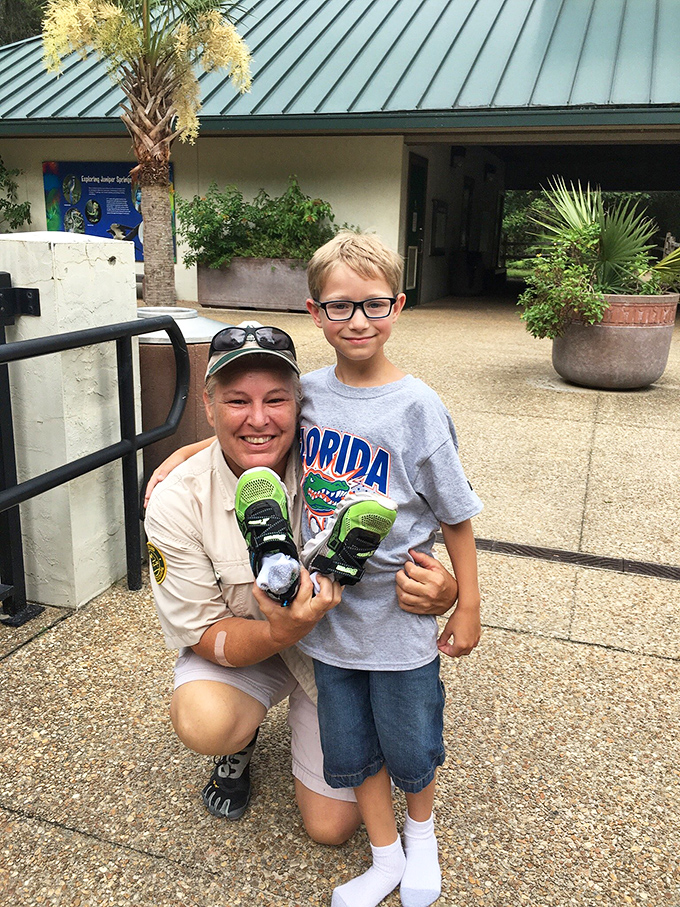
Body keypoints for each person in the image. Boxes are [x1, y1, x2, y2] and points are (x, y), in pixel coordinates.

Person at [144, 322, 460, 846]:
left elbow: (418, 503)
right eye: (236, 401)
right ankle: (239, 741)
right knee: (206, 720)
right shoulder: (177, 501)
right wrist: (280, 633)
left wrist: (446, 593)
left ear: (302, 403)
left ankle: (319, 715)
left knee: (331, 829)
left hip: (333, 655)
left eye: (276, 400)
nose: (258, 419)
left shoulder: (338, 456)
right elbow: (201, 633)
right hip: (248, 642)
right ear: (208, 404)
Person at [294, 231, 483, 907]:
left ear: (398, 305)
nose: (357, 322)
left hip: (403, 615)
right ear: (314, 313)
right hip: (330, 613)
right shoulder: (305, 393)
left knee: (410, 742)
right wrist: (178, 455)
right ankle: (384, 857)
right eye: (339, 307)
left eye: (373, 305)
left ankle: (421, 838)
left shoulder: (418, 407)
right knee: (352, 745)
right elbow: (246, 434)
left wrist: (466, 603)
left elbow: (456, 515)